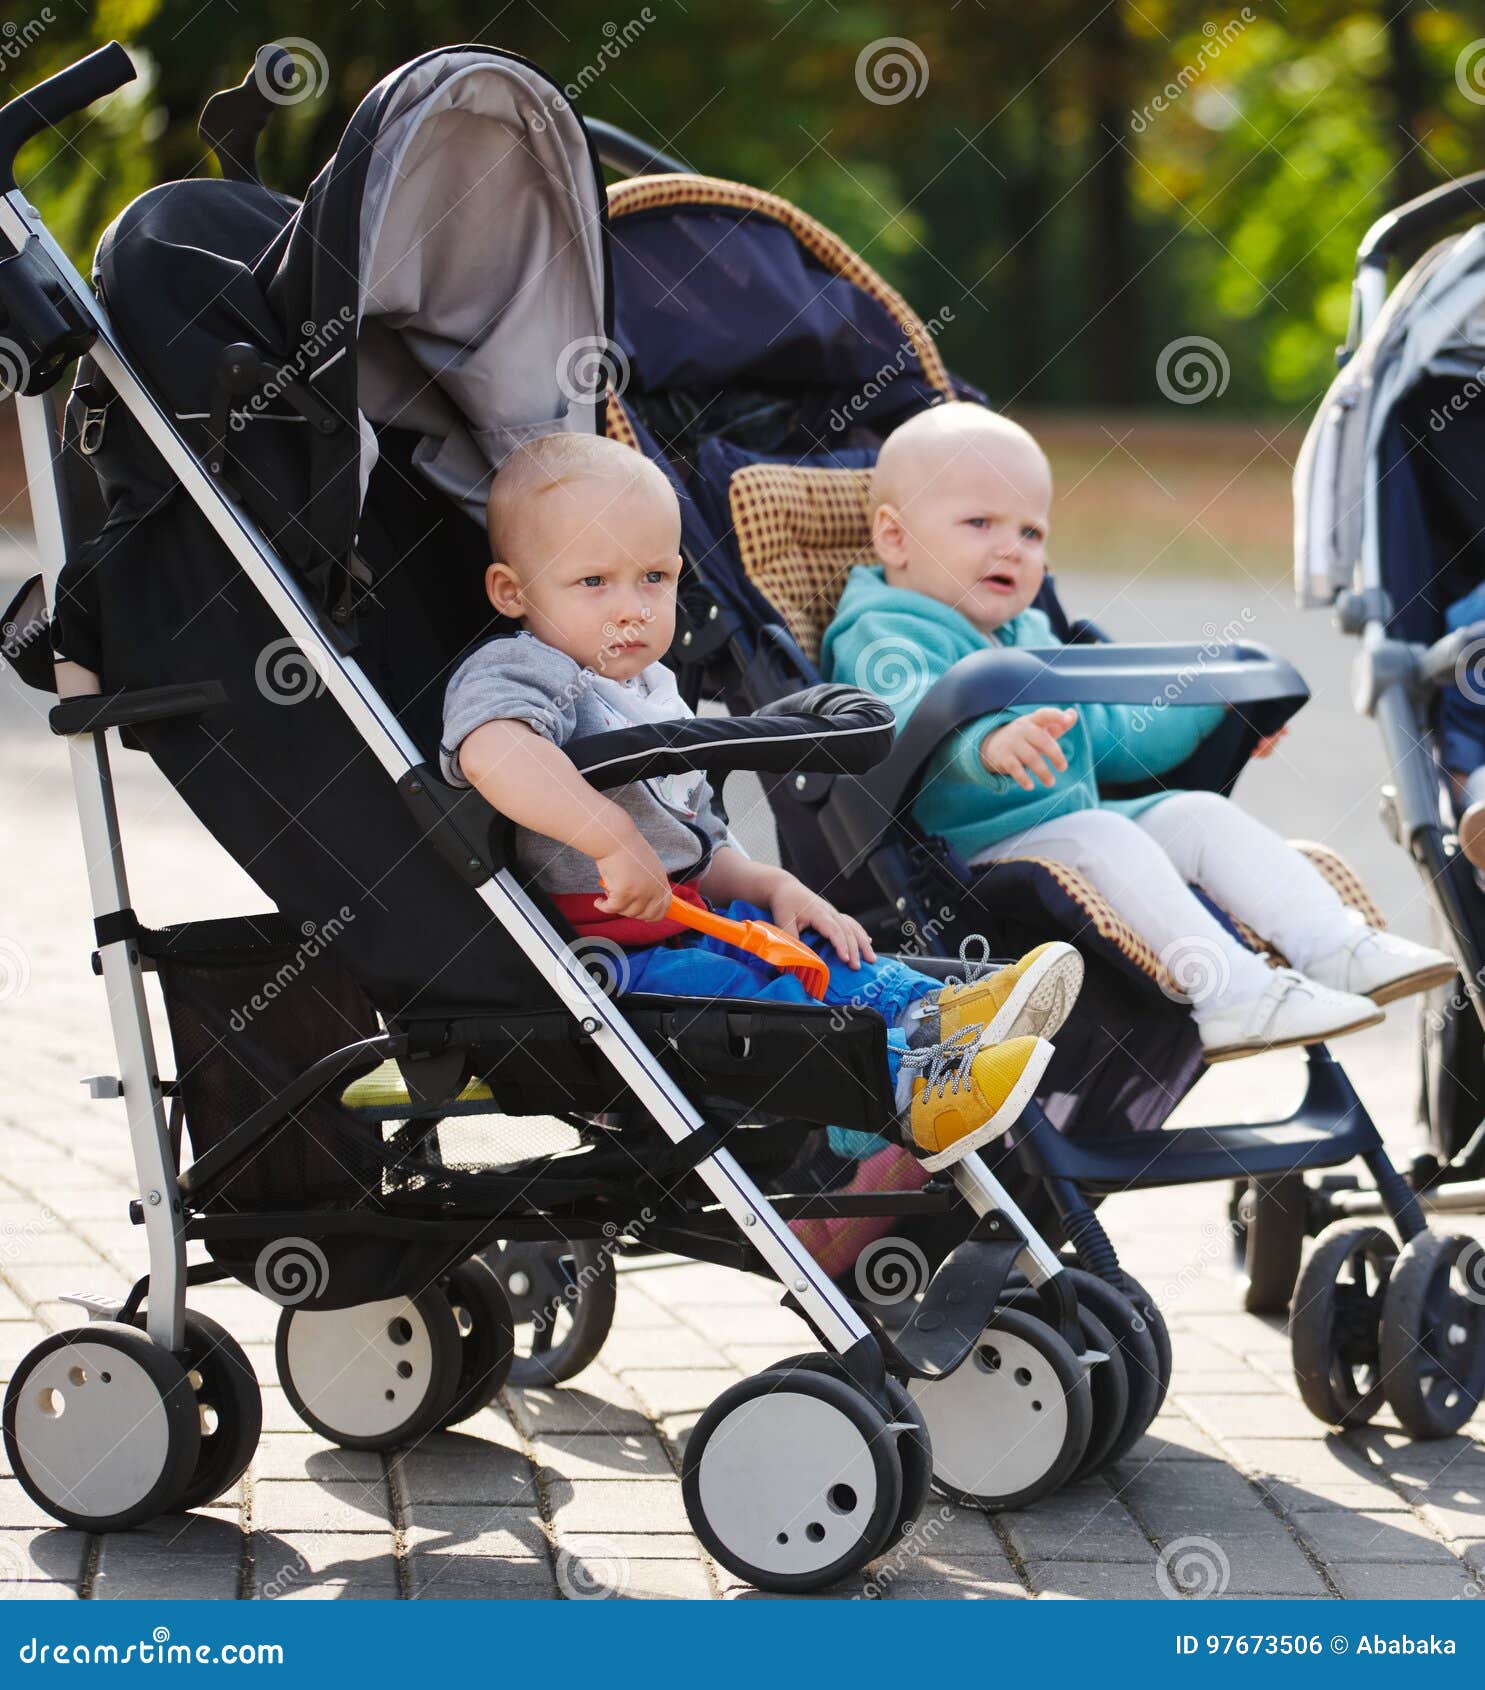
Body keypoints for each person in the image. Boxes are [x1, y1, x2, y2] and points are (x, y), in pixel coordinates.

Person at [440, 431, 1083, 1169]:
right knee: (756, 997)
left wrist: (771, 884)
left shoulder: (649, 689)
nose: (632, 609)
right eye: (593, 582)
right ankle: (897, 1092)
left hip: (689, 921)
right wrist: (607, 835)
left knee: (818, 950)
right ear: (512, 591)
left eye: (653, 578)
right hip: (611, 960)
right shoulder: (523, 668)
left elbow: (694, 844)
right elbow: (491, 750)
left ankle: (933, 1017)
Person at [822, 402, 1453, 1062]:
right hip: (959, 858)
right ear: (894, 538)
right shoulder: (882, 631)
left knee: (1196, 814)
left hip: (1067, 829)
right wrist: (980, 747)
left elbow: (1118, 739)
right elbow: (896, 721)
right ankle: (1235, 996)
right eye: (979, 523)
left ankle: (1335, 946)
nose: (1011, 548)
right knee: (1105, 833)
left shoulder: (1026, 632)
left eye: (1031, 532)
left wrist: (1222, 715)